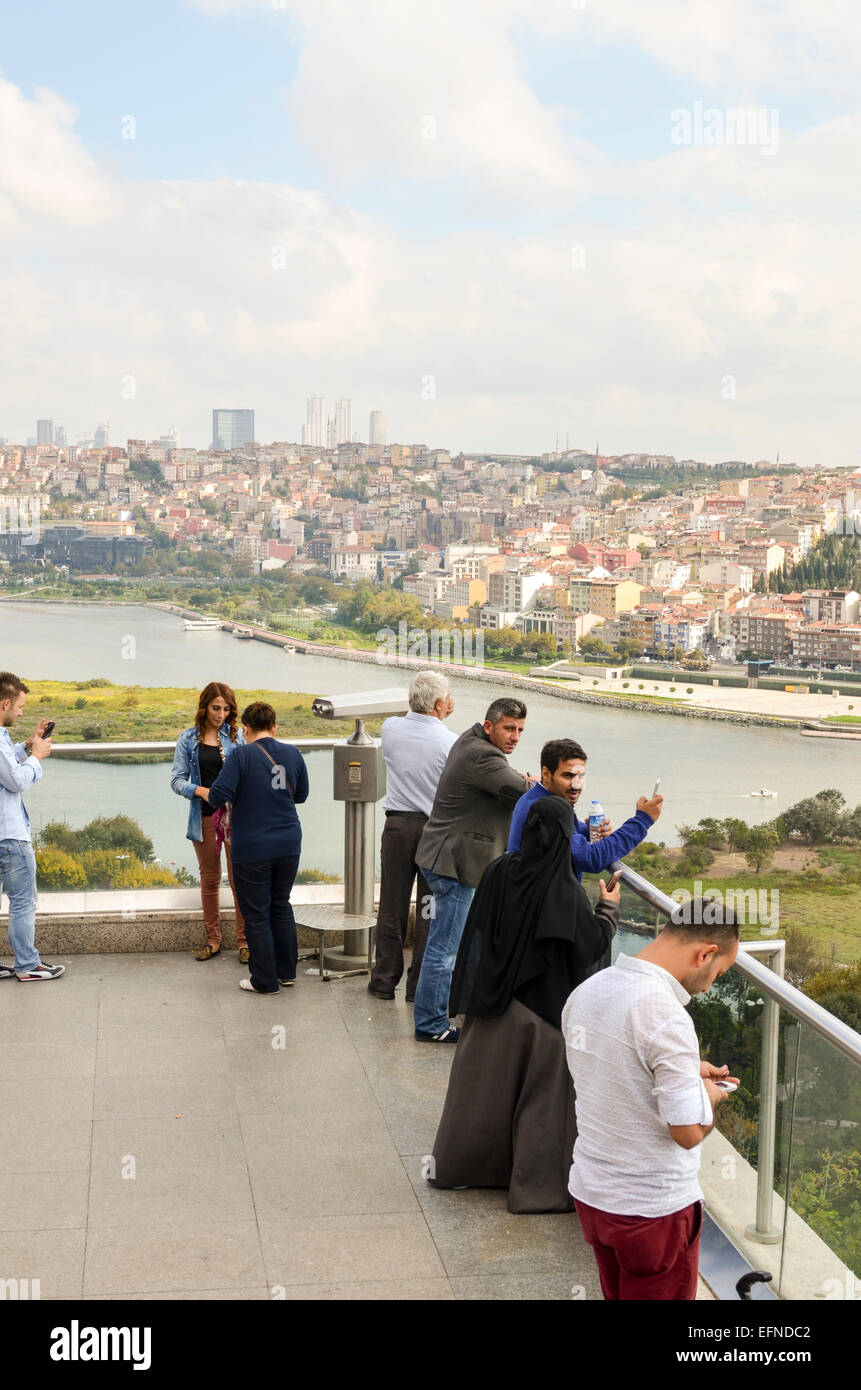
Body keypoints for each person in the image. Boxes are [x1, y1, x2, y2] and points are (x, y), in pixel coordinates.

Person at [428, 795, 620, 1212]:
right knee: (542, 1104)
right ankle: (535, 1188)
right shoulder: (564, 891)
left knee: (483, 1096)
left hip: (493, 1005)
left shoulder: (500, 870)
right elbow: (586, 948)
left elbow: (478, 934)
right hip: (543, 1018)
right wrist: (607, 911)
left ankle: (466, 1169)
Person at [562, 900, 740, 1301]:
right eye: (718, 973)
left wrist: (685, 1071)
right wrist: (709, 1097)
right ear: (706, 953)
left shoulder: (588, 991)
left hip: (593, 1196)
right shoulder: (667, 1015)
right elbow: (688, 1133)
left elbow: (613, 1066)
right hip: (653, 1212)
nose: (710, 986)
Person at [413, 697, 533, 1043]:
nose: (515, 737)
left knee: (446, 944)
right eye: (509, 728)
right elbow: (523, 793)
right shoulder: (484, 755)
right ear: (490, 725)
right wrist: (535, 783)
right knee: (445, 948)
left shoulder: (469, 739)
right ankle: (431, 1025)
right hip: (456, 862)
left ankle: (441, 1011)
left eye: (521, 730)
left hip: (445, 856)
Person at [206, 702, 309, 994]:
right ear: (274, 727)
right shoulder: (293, 753)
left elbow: (217, 796)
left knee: (256, 913)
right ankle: (287, 972)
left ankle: (263, 981)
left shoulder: (241, 755)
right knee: (280, 905)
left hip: (251, 846)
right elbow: (300, 795)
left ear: (246, 729)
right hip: (289, 842)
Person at [367, 671, 457, 1003]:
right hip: (436, 832)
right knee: (429, 910)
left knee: (391, 906)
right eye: (447, 698)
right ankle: (418, 986)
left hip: (398, 828)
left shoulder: (390, 730)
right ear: (439, 703)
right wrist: (445, 715)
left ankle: (383, 980)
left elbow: (406, 720)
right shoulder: (451, 741)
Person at [170, 681, 248, 962]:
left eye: (226, 709)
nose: (221, 714)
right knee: (210, 880)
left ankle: (245, 942)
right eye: (216, 708)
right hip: (203, 817)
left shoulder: (237, 739)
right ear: (204, 707)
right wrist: (201, 790)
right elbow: (176, 781)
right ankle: (213, 940)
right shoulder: (188, 739)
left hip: (235, 818)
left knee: (240, 880)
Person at [508, 737, 662, 878]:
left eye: (581, 776)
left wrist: (589, 832)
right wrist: (642, 820)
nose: (577, 785)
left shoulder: (537, 798)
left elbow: (560, 837)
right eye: (568, 776)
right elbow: (591, 858)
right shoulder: (547, 812)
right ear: (546, 774)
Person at [0, 671, 64, 982]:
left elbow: (5, 765)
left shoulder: (2, 740)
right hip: (9, 836)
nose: (22, 712)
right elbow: (15, 780)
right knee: (23, 901)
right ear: (5, 703)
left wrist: (26, 745)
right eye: (20, 707)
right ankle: (27, 965)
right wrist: (37, 757)